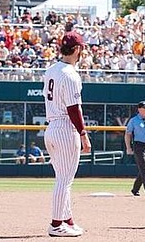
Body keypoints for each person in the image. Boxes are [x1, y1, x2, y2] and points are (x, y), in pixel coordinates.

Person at [42, 31, 92, 237]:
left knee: (64, 178)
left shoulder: (51, 70)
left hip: (52, 127)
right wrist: (83, 133)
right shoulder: (71, 74)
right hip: (64, 128)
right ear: (78, 49)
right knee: (64, 180)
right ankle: (56, 224)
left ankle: (68, 220)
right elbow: (74, 109)